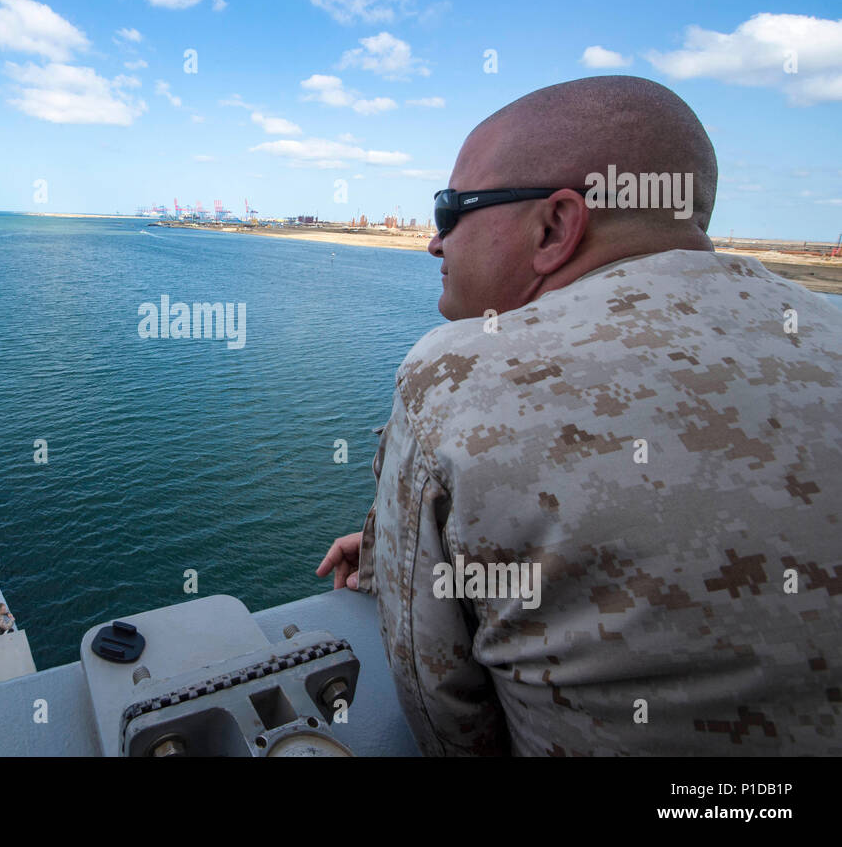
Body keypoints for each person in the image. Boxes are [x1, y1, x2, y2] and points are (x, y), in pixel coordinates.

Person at [317, 76, 842, 756]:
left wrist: (416, 563)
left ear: (557, 225)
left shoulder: (455, 371)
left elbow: (444, 714)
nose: (433, 243)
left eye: (449, 210)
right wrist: (421, 553)